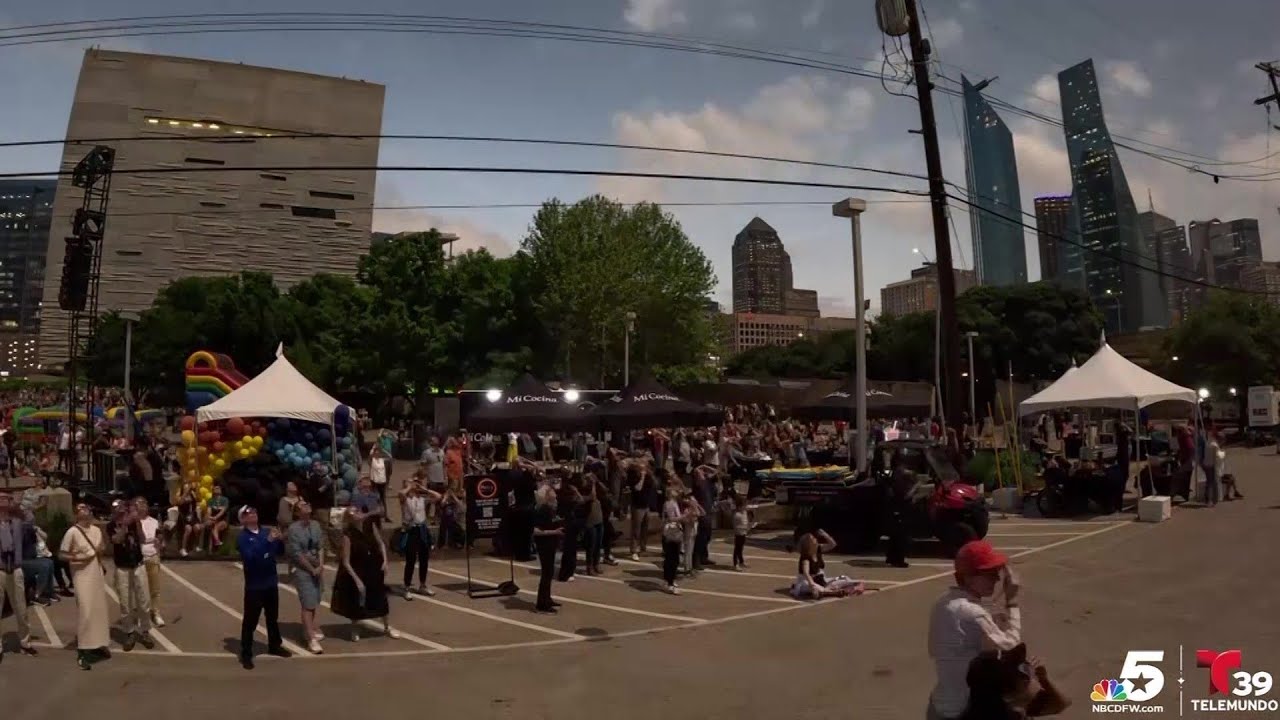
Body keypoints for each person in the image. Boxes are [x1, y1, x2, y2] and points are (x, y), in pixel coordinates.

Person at [927, 540, 1023, 720]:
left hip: (940, 704)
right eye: (990, 573)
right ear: (969, 577)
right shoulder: (972, 613)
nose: (996, 578)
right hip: (965, 709)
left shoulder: (944, 602)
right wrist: (1012, 601)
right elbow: (1011, 646)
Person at [236, 506, 291, 669]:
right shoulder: (243, 538)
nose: (253, 515)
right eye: (248, 514)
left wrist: (280, 540)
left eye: (254, 512)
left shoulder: (266, 531)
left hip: (270, 582)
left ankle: (274, 645)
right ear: (243, 519)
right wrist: (267, 542)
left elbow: (278, 552)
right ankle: (246, 653)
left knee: (272, 617)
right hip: (254, 585)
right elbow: (250, 557)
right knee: (250, 621)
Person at [331, 510, 399, 640]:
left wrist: (385, 561)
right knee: (358, 600)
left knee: (380, 597)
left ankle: (387, 626)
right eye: (354, 512)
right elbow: (346, 562)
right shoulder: (348, 535)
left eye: (358, 510)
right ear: (350, 518)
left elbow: (381, 544)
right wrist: (357, 580)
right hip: (358, 569)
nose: (358, 513)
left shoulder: (370, 525)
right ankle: (355, 628)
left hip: (374, 566)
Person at [59, 502, 109, 670]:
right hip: (81, 575)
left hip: (96, 574)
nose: (84, 510)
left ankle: (98, 644)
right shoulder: (72, 532)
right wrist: (79, 558)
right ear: (76, 514)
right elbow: (62, 555)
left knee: (98, 610)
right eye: (80, 509)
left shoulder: (96, 530)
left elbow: (102, 548)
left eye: (86, 508)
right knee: (86, 611)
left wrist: (100, 549)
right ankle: (83, 650)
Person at [107, 502, 154, 651]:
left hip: (138, 565)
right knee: (125, 603)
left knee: (144, 600)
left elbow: (142, 539)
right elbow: (116, 540)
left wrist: (137, 522)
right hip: (122, 568)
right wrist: (124, 526)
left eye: (122, 507)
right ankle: (129, 632)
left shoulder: (134, 522)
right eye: (117, 508)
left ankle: (145, 631)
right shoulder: (111, 525)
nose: (121, 510)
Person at [286, 499, 325, 654]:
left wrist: (321, 565)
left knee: (314, 600)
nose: (307, 506)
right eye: (302, 505)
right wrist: (310, 568)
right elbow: (297, 553)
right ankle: (311, 638)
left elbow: (321, 546)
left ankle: (308, 630)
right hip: (303, 570)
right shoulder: (293, 529)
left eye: (307, 504)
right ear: (297, 512)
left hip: (317, 567)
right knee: (307, 603)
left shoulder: (315, 525)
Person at [0, 493, 37, 658]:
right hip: (0, 569)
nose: (2, 500)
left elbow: (30, 520)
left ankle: (25, 641)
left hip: (15, 568)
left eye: (5, 498)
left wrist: (19, 505)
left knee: (21, 608)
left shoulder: (17, 522)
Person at [398, 480, 442, 598]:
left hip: (422, 530)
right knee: (411, 560)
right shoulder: (405, 500)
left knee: (424, 559)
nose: (414, 486)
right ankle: (406, 587)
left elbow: (438, 496)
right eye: (411, 484)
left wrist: (424, 489)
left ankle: (422, 585)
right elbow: (401, 494)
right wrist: (408, 487)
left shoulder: (421, 499)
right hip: (411, 530)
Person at [790, 529, 862, 599]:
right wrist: (812, 585)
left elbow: (833, 544)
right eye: (813, 538)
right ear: (808, 544)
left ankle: (827, 591)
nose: (816, 539)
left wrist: (825, 535)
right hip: (808, 581)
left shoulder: (818, 549)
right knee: (813, 587)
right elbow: (806, 573)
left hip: (821, 580)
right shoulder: (805, 558)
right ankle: (832, 592)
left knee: (844, 578)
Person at [134, 497, 166, 628]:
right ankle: (142, 615)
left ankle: (156, 613)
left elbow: (160, 537)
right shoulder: (133, 523)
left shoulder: (154, 521)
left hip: (153, 556)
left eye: (144, 503)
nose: (142, 506)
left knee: (155, 589)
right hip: (139, 558)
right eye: (139, 504)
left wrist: (160, 542)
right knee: (141, 589)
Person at [531, 484, 563, 613]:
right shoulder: (542, 509)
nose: (555, 492)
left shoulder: (551, 508)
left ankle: (547, 598)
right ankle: (541, 604)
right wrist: (554, 532)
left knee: (549, 573)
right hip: (544, 545)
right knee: (546, 573)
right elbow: (536, 531)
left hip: (551, 544)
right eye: (552, 491)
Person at [884, 464, 913, 569]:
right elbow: (906, 497)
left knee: (895, 537)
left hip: (896, 512)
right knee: (901, 537)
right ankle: (898, 560)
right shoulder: (898, 485)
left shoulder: (894, 484)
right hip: (899, 512)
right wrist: (917, 486)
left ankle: (891, 558)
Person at [627, 465, 654, 561]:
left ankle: (643, 548)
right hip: (637, 507)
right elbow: (637, 488)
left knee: (645, 529)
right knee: (636, 530)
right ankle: (634, 550)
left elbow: (653, 484)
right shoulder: (634, 477)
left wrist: (648, 474)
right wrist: (642, 477)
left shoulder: (649, 477)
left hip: (646, 506)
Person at [176, 482, 202, 557]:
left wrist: (197, 489)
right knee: (188, 529)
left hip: (192, 515)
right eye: (186, 488)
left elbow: (199, 499)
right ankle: (183, 549)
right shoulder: (180, 495)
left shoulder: (192, 494)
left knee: (197, 528)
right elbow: (180, 502)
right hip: (183, 516)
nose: (188, 489)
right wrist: (186, 492)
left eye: (189, 488)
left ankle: (196, 546)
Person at [204, 484, 230, 550]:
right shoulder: (210, 500)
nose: (217, 489)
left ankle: (216, 543)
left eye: (218, 488)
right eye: (215, 488)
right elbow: (209, 510)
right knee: (209, 525)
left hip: (223, 519)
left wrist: (215, 517)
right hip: (213, 519)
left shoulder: (225, 500)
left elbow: (223, 511)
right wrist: (210, 517)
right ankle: (214, 544)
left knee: (216, 527)